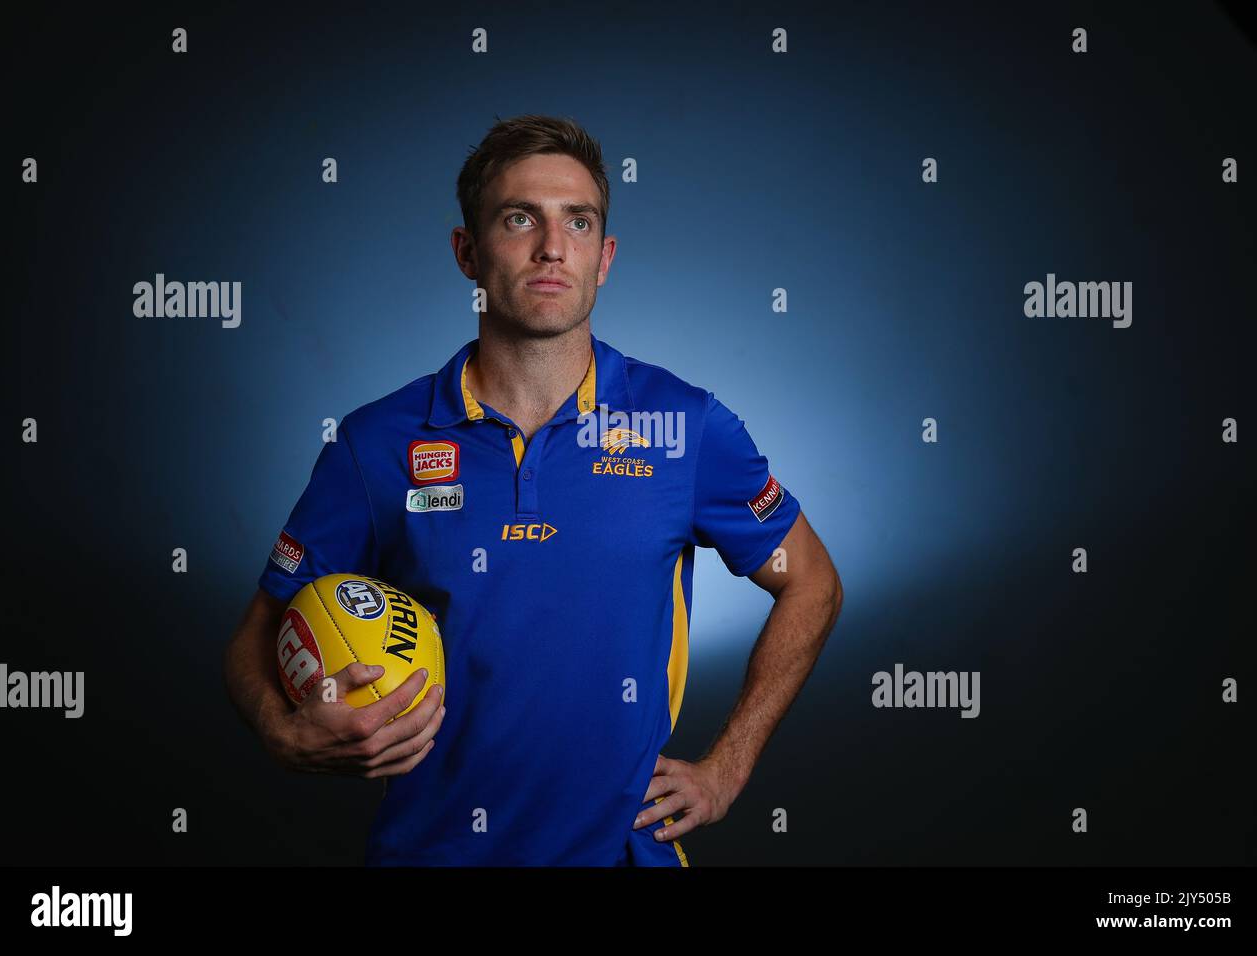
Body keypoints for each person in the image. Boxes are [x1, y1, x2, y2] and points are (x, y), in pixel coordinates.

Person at [224, 114, 843, 866]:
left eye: (578, 222)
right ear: (467, 252)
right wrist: (279, 729)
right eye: (520, 219)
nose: (553, 247)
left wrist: (728, 766)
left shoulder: (683, 427)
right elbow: (260, 629)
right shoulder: (376, 443)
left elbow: (810, 582)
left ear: (604, 257)